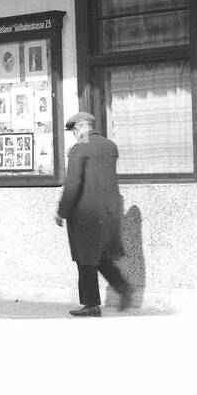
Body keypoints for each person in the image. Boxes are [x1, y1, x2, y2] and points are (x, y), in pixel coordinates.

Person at [55, 112, 133, 316]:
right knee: (102, 256)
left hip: (86, 214)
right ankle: (123, 287)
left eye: (74, 129)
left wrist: (62, 212)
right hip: (110, 212)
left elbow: (73, 184)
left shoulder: (79, 149)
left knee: (85, 259)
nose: (73, 134)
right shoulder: (110, 146)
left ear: (80, 127)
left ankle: (91, 304)